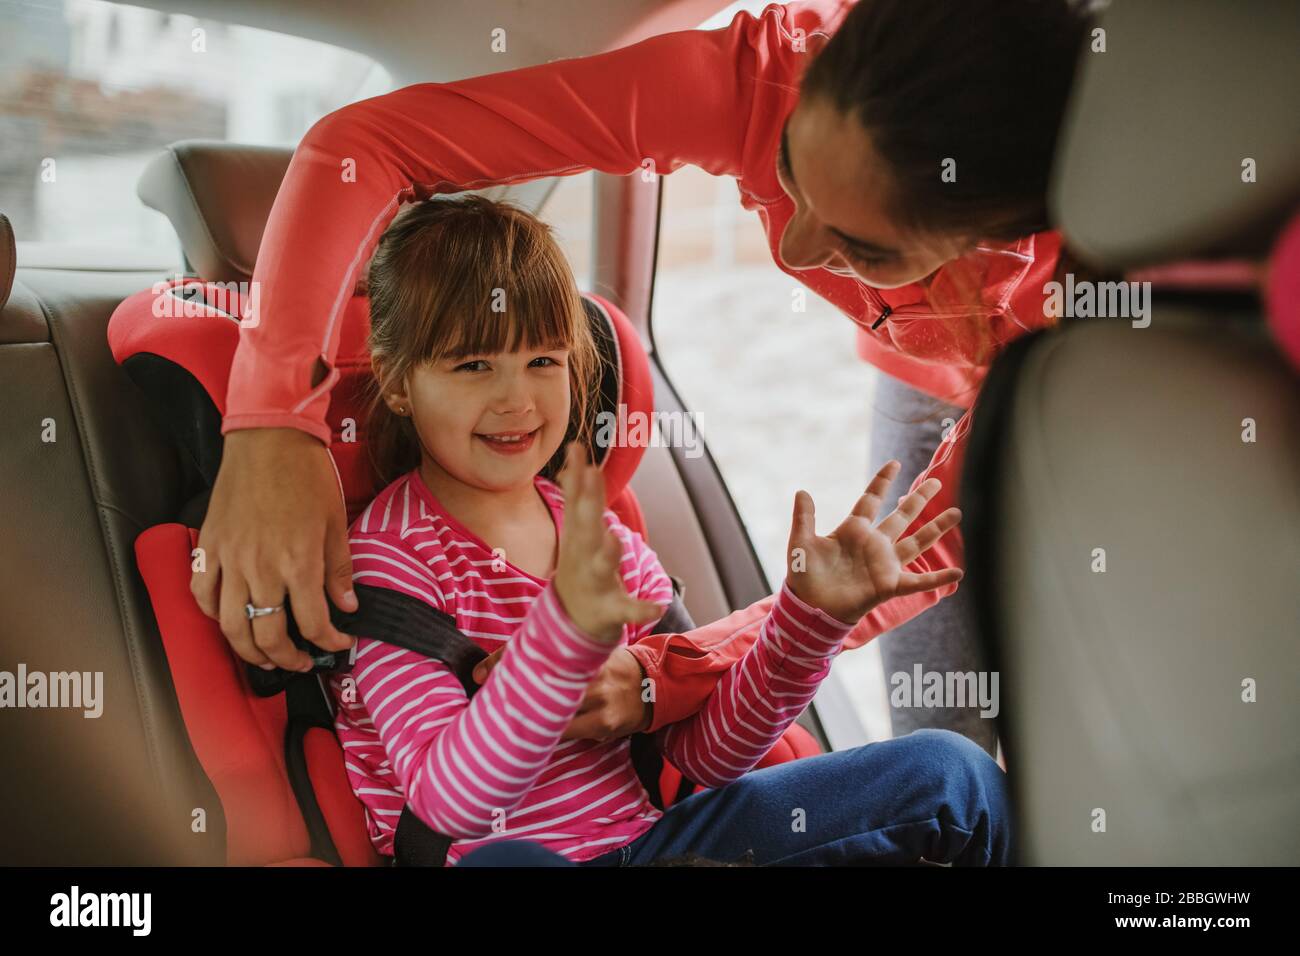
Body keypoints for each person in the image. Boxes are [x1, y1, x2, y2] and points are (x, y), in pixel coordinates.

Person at [192, 0, 1093, 750]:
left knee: (975, 736)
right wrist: (273, 422)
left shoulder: (1083, 307)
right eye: (788, 172)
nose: (792, 244)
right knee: (940, 714)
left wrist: (669, 673)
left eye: (861, 246)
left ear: (1002, 233)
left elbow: (933, 547)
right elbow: (366, 147)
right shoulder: (748, 77)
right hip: (916, 369)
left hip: (1015, 370)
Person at [333, 195, 1008, 866]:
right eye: (473, 365)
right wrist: (559, 641)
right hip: (504, 861)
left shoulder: (604, 538)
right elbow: (449, 803)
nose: (517, 398)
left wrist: (809, 626)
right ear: (397, 383)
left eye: (543, 360)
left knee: (949, 772)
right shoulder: (390, 560)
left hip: (656, 847)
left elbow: (700, 757)